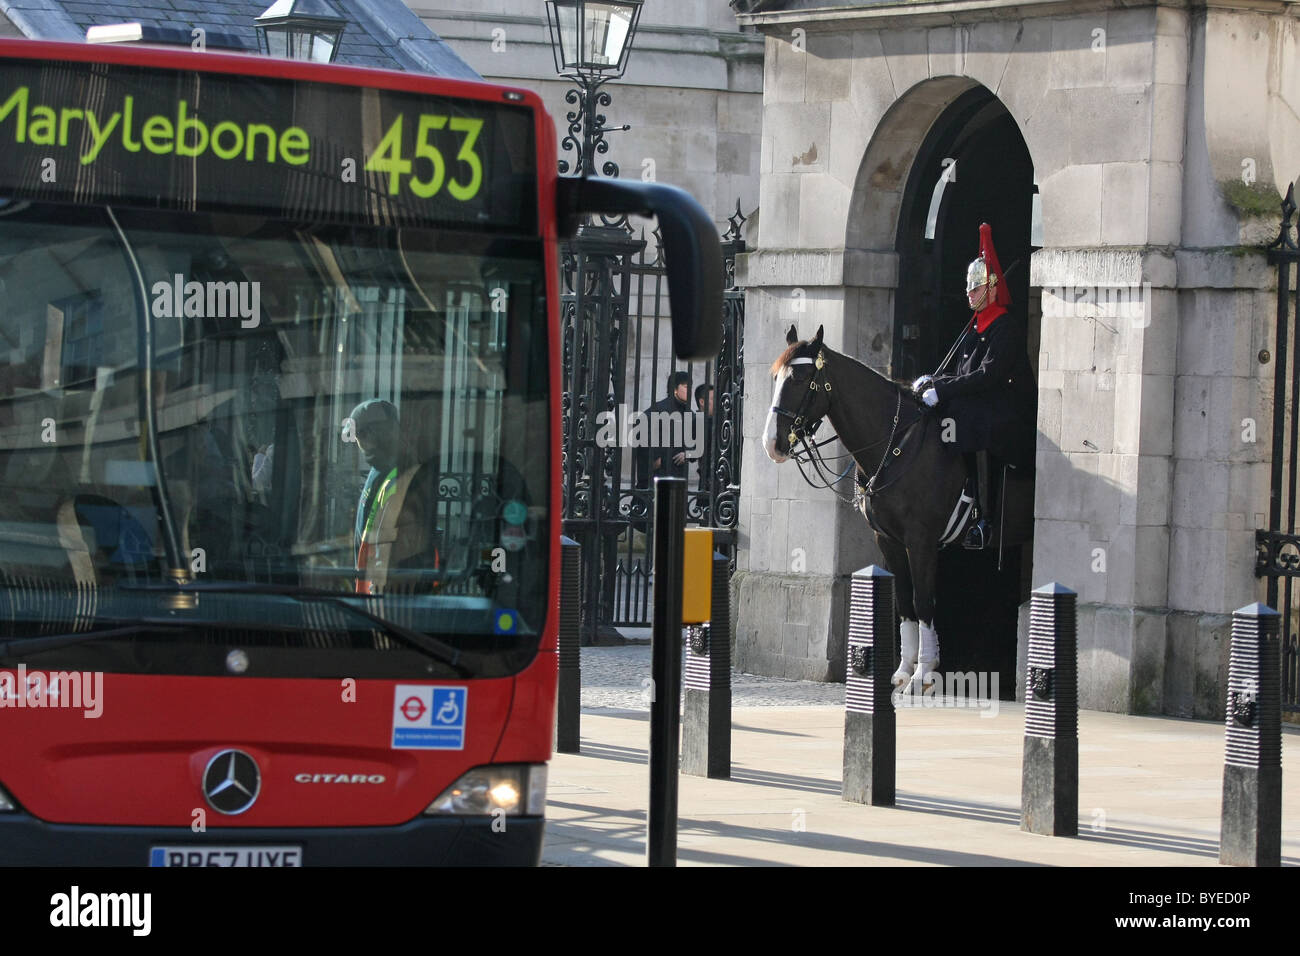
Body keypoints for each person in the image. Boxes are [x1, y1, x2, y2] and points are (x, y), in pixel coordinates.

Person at [912, 223, 1036, 549]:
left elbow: (987, 376)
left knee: (969, 419)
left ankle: (984, 517)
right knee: (942, 410)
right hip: (981, 400)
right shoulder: (973, 328)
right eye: (968, 288)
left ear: (992, 289)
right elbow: (959, 373)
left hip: (1007, 410)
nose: (970, 293)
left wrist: (946, 389)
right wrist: (934, 382)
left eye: (976, 288)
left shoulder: (1004, 328)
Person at [647, 370, 692, 481]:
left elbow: (698, 440)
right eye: (686, 387)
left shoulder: (689, 413)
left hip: (678, 472)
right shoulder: (659, 408)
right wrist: (655, 458)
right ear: (675, 389)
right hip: (659, 472)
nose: (690, 391)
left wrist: (688, 453)